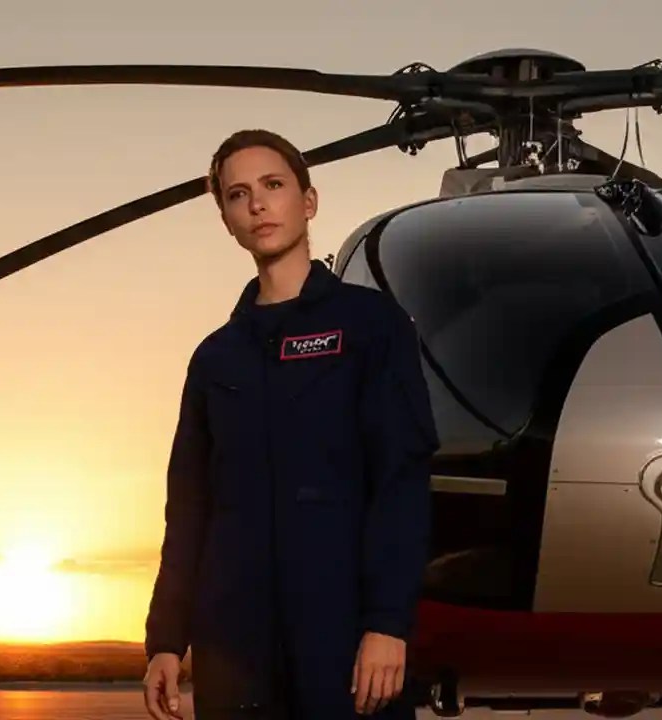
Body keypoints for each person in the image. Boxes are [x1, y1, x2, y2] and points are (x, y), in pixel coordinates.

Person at [141, 128, 440, 720]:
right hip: (234, 641)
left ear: (308, 201)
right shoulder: (215, 357)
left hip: (343, 630)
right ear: (226, 218)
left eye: (273, 185)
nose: (257, 204)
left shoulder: (371, 326)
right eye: (237, 194)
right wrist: (167, 641)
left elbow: (400, 481)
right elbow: (189, 508)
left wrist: (387, 622)